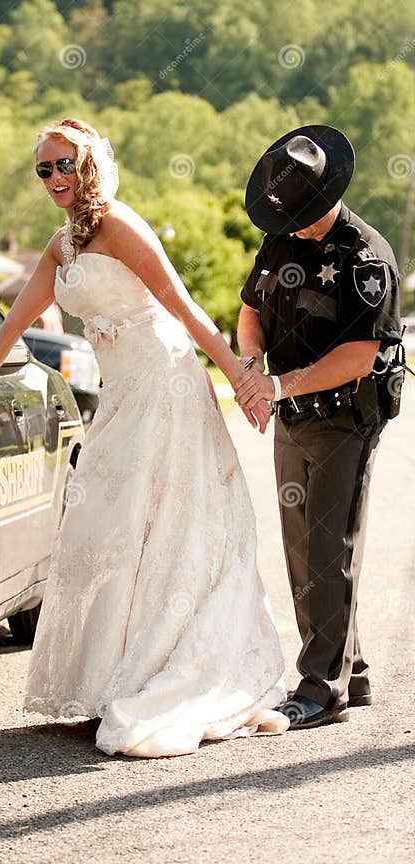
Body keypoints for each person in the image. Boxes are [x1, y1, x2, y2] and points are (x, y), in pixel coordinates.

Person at [0, 117, 289, 758]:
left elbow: (186, 308)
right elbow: (12, 328)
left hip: (167, 387)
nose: (54, 178)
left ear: (89, 166)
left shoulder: (122, 226)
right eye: (44, 169)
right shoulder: (61, 248)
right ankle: (113, 677)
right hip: (121, 398)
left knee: (166, 528)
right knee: (106, 531)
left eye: (64, 165)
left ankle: (161, 676)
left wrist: (244, 383)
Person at [235, 125, 402, 730]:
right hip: (291, 415)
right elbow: (251, 310)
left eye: (305, 213)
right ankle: (347, 671)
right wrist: (252, 367)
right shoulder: (280, 239)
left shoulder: (365, 257)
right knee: (302, 549)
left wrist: (279, 385)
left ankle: (319, 688)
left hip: (344, 420)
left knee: (331, 550)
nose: (296, 223)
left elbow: (359, 355)